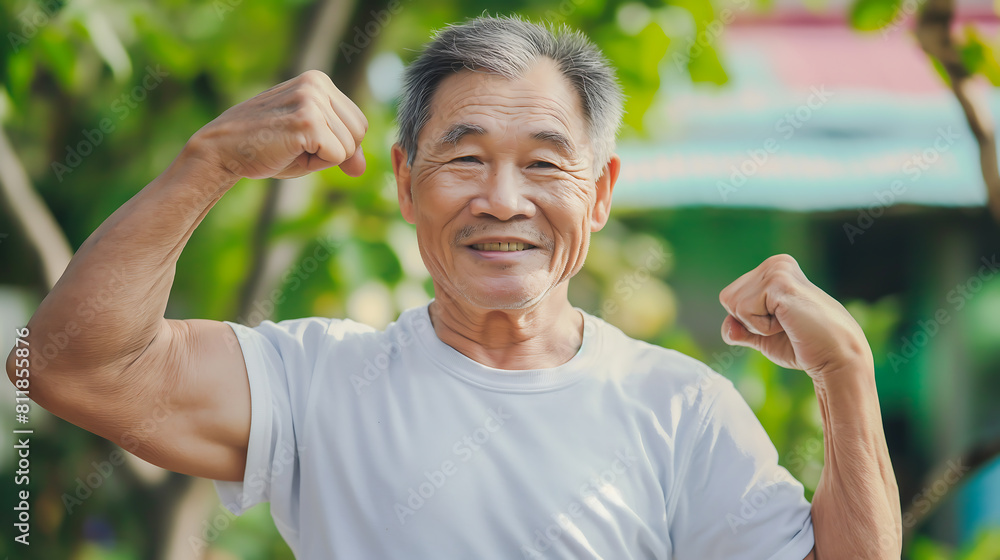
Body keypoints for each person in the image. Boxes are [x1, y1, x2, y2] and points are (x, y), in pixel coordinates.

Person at [7, 15, 901, 559]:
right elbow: (64, 365)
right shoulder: (316, 381)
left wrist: (846, 374)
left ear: (598, 195)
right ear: (404, 182)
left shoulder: (680, 409)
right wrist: (205, 165)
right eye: (465, 158)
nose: (502, 200)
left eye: (544, 164)